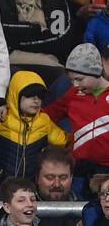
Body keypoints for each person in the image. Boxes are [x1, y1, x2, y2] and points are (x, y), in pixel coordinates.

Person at [0, 0, 79, 89]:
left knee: (66, 83)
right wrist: (36, 29)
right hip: (9, 66)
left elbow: (60, 41)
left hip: (51, 68)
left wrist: (14, 41)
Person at [0, 73, 69, 187]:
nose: (36, 100)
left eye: (40, 96)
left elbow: (64, 141)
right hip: (1, 186)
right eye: (30, 95)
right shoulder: (0, 119)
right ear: (16, 95)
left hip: (32, 187)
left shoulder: (44, 120)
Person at [46, 45, 109, 178]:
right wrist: (10, 109)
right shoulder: (72, 94)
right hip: (79, 169)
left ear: (96, 72)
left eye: (79, 79)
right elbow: (45, 116)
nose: (75, 84)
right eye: (71, 80)